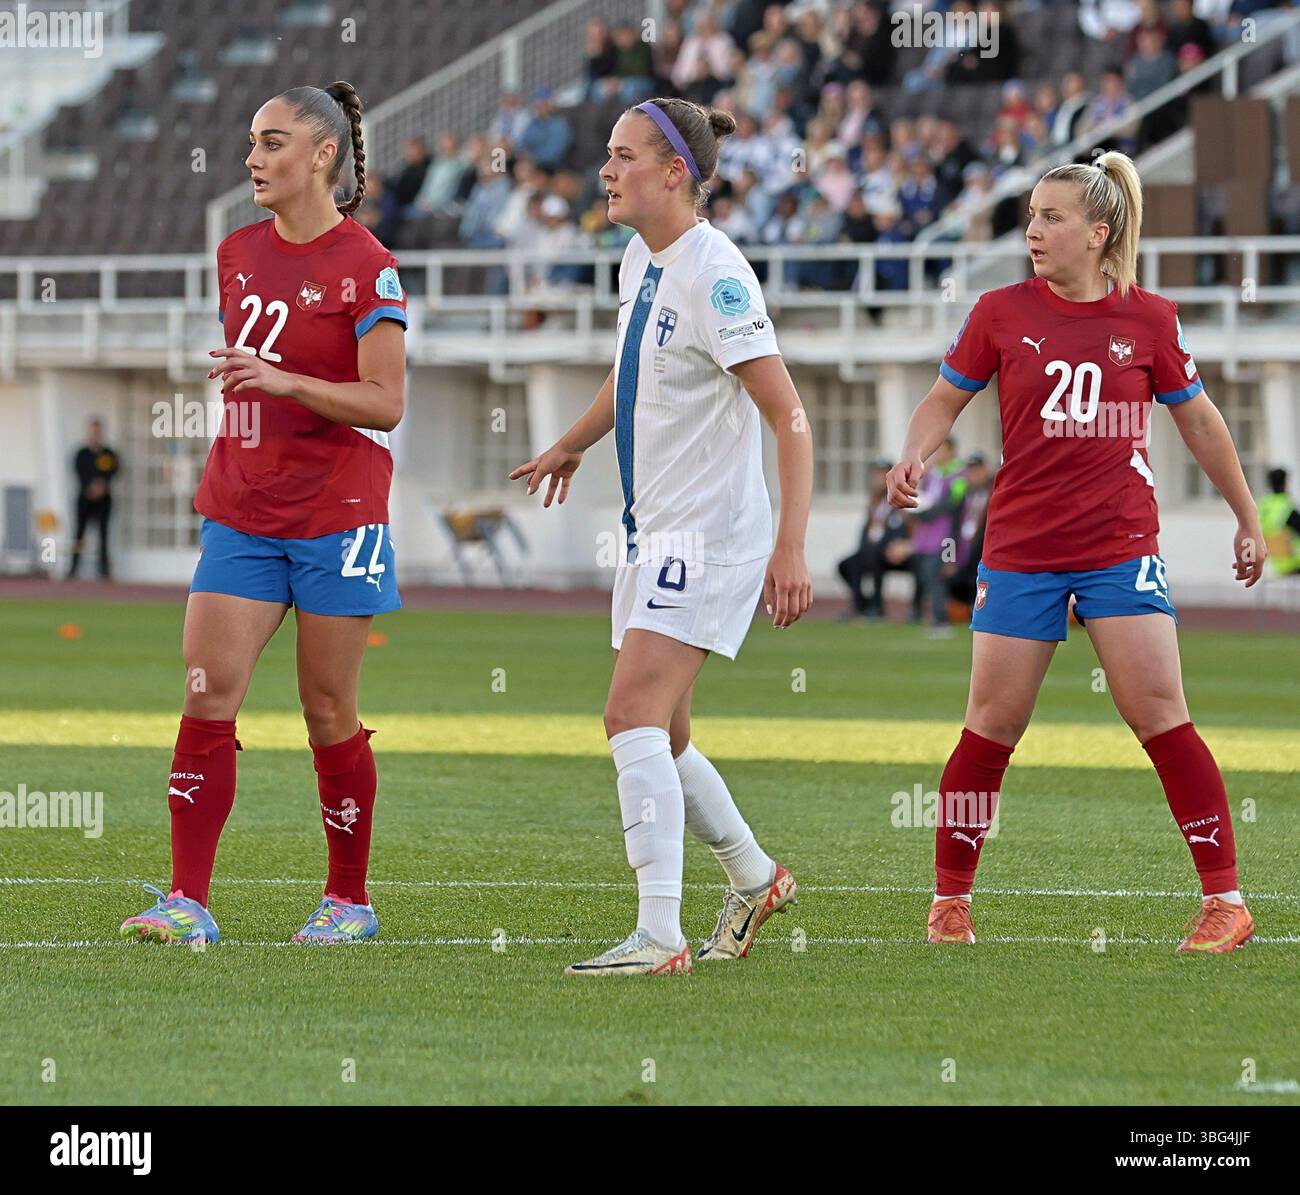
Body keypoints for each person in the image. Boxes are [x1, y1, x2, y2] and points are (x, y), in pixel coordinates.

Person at [887, 150, 1265, 953]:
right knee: (989, 728)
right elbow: (942, 397)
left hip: (1120, 547)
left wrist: (1244, 515)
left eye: (1051, 218)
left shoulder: (1151, 320)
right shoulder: (996, 311)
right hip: (1021, 548)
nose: (1033, 229)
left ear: (1098, 233)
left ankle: (1226, 902)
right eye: (1030, 215)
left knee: (1162, 719)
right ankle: (950, 902)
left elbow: (1202, 423)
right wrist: (914, 452)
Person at [510, 97, 813, 976]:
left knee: (627, 714)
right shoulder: (641, 259)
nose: (604, 170)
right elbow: (634, 372)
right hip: (655, 534)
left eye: (622, 155)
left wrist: (791, 546)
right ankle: (755, 878)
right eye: (606, 155)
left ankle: (659, 933)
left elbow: (789, 416)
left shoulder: (717, 274)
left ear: (674, 171)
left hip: (706, 536)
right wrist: (572, 441)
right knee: (667, 737)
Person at [118, 80, 409, 946]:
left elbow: (386, 402)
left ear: (323, 154)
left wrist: (286, 382)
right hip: (242, 508)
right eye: (252, 140)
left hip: (341, 513)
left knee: (327, 711)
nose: (253, 157)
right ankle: (187, 900)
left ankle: (348, 901)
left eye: (273, 141)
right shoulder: (236, 251)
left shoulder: (370, 265)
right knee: (206, 692)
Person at [837, 460, 912, 619]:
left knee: (876, 558)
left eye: (882, 475)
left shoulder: (898, 500)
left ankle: (877, 607)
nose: (878, 479)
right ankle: (860, 604)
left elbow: (901, 530)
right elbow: (866, 532)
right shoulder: (873, 503)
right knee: (847, 564)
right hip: (871, 550)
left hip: (888, 552)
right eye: (877, 475)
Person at [67, 418, 119, 579]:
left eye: (98, 432)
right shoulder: (81, 454)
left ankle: (104, 570)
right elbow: (78, 472)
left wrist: (102, 486)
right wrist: (89, 487)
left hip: (104, 500)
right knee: (79, 534)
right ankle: (73, 569)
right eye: (93, 431)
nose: (95, 435)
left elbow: (114, 471)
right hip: (84, 499)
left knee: (103, 535)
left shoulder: (108, 454)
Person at [1259, 466, 1300, 576]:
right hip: (1292, 562)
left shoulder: (1263, 504)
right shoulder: (1287, 506)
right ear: (1285, 483)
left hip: (1270, 561)